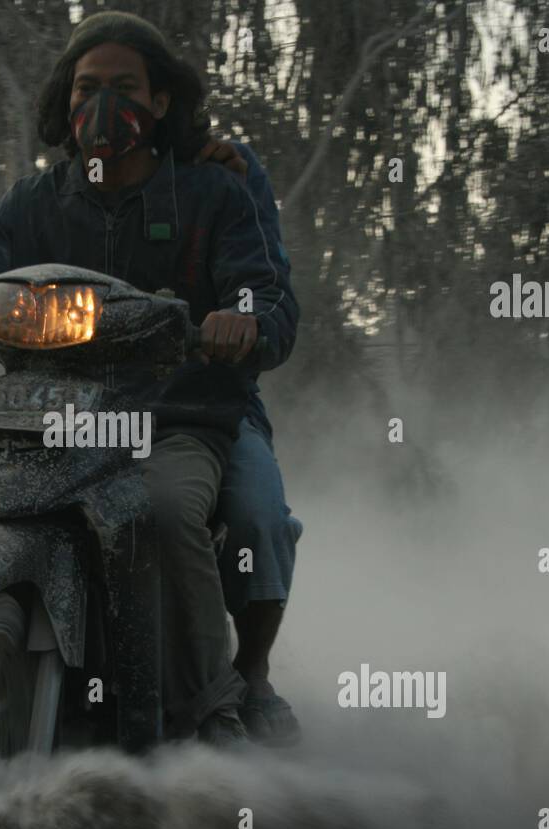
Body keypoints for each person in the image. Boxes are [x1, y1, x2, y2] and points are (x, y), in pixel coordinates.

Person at [0, 12, 299, 745]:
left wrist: (242, 320)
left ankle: (217, 702)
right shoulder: (27, 205)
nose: (103, 105)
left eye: (124, 87)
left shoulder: (215, 195)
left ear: (161, 101)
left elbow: (267, 300)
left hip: (177, 414)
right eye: (87, 87)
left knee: (169, 511)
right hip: (39, 415)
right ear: (64, 102)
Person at [192, 137, 304, 744]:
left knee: (258, 515)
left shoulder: (230, 178)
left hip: (214, 403)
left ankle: (252, 672)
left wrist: (246, 321)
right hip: (84, 401)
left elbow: (270, 289)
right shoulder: (67, 189)